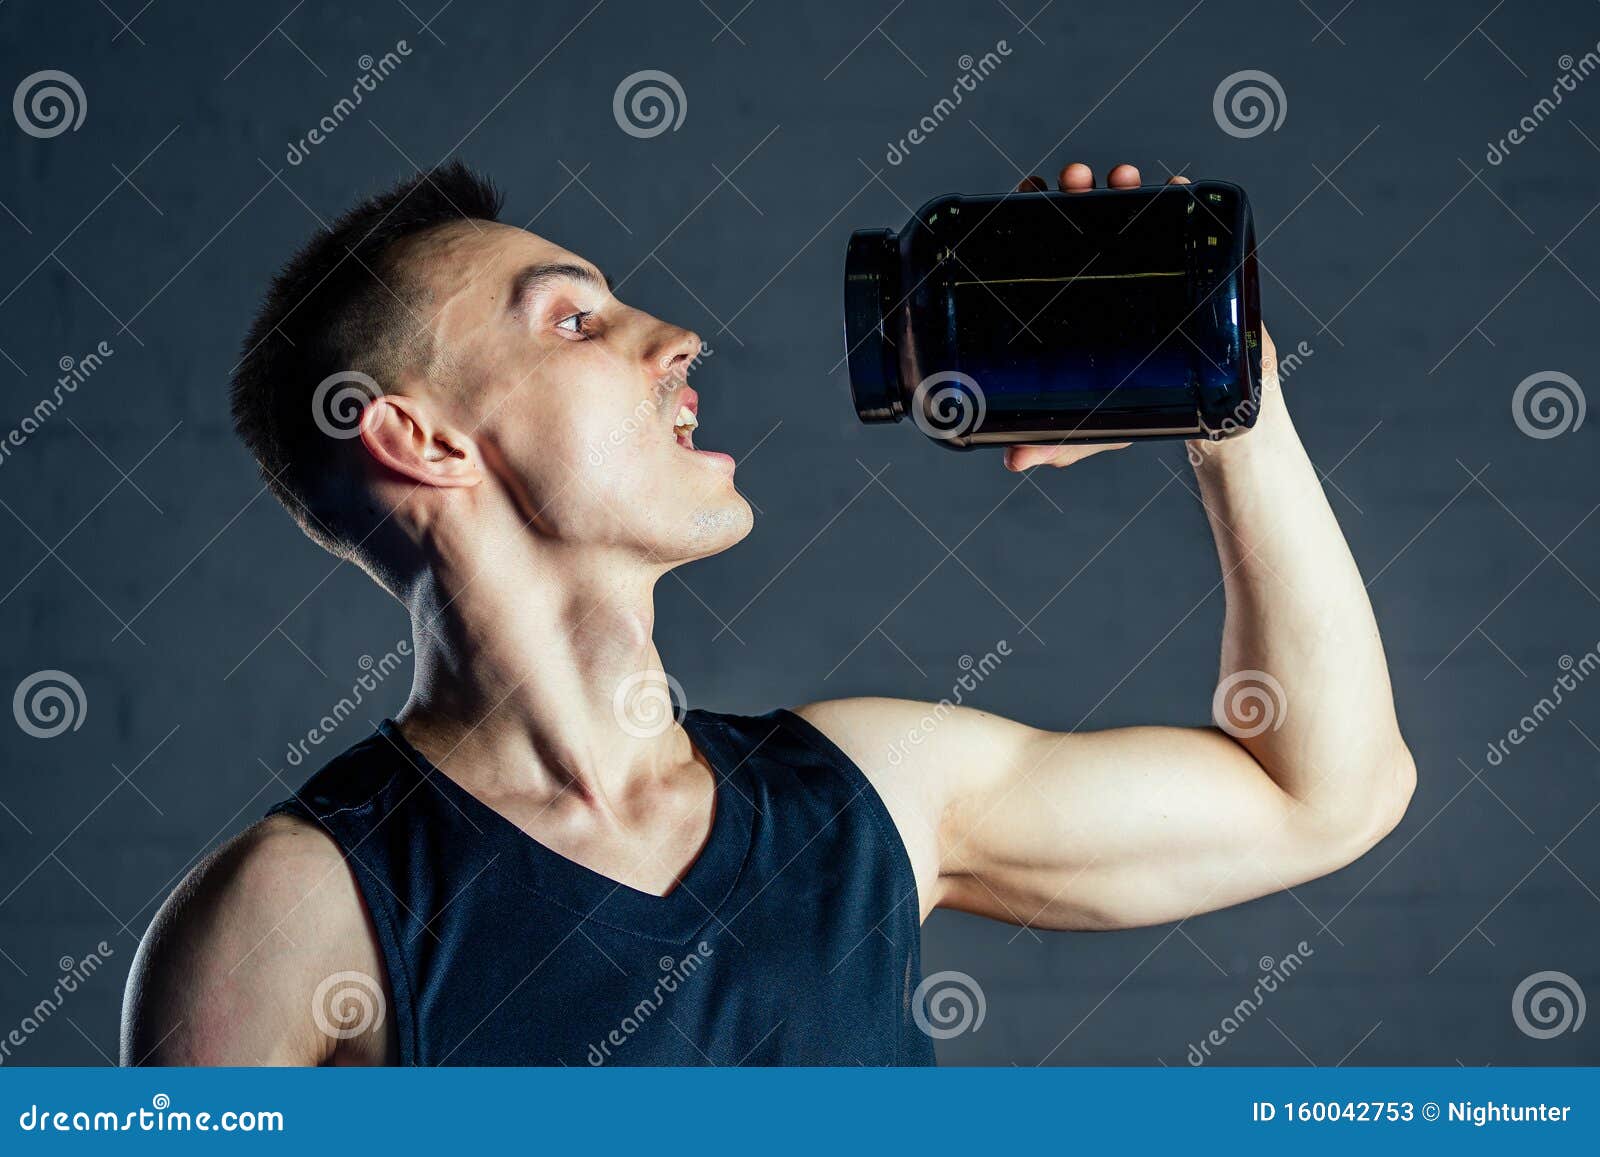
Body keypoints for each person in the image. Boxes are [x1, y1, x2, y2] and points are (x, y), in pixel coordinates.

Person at [120, 159, 1414, 1066]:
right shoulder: (293, 914)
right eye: (575, 319)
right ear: (421, 437)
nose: (676, 336)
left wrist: (1228, 405)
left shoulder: (871, 798)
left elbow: (1323, 793)